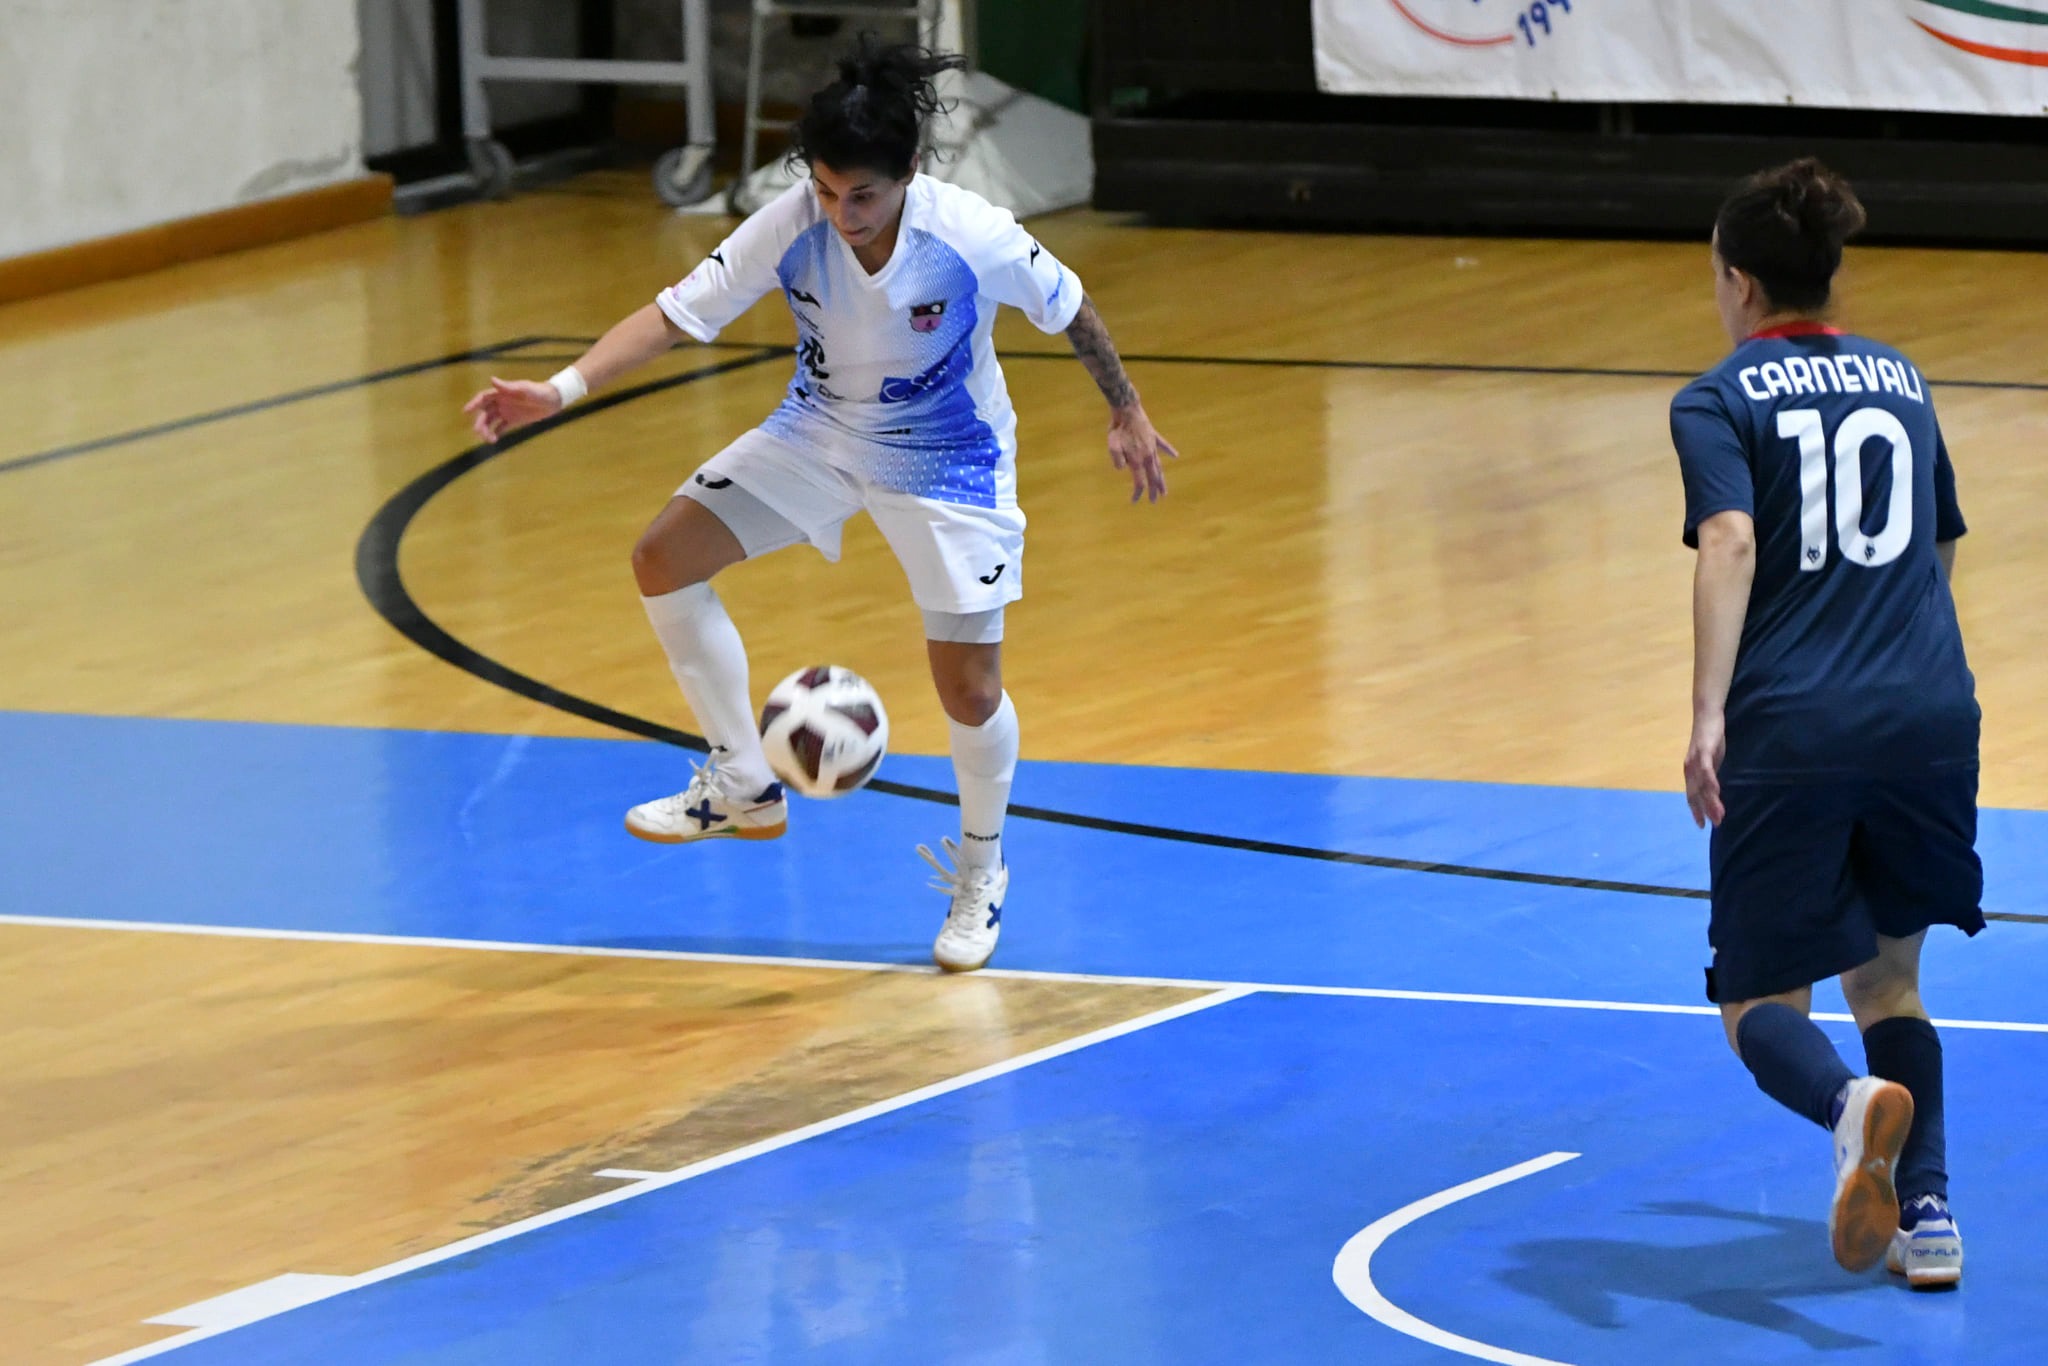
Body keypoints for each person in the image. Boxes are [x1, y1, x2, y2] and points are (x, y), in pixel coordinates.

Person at [462, 39, 1175, 974]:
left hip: (948, 458)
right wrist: (558, 390)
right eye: (830, 190)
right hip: (819, 433)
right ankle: (744, 784)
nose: (844, 213)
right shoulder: (793, 221)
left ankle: (982, 868)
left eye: (865, 196)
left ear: (909, 175)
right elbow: (677, 315)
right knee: (663, 557)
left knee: (968, 686)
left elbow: (1072, 306)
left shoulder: (969, 233)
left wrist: (1124, 408)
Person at [1671, 158, 1981, 1288]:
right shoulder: (1899, 379)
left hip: (1794, 731)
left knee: (1756, 999)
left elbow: (1730, 541)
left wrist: (1707, 713)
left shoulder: (1712, 399)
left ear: (1740, 285)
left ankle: (1848, 1107)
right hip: (1927, 718)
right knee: (1889, 985)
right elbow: (1937, 545)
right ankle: (1930, 1217)